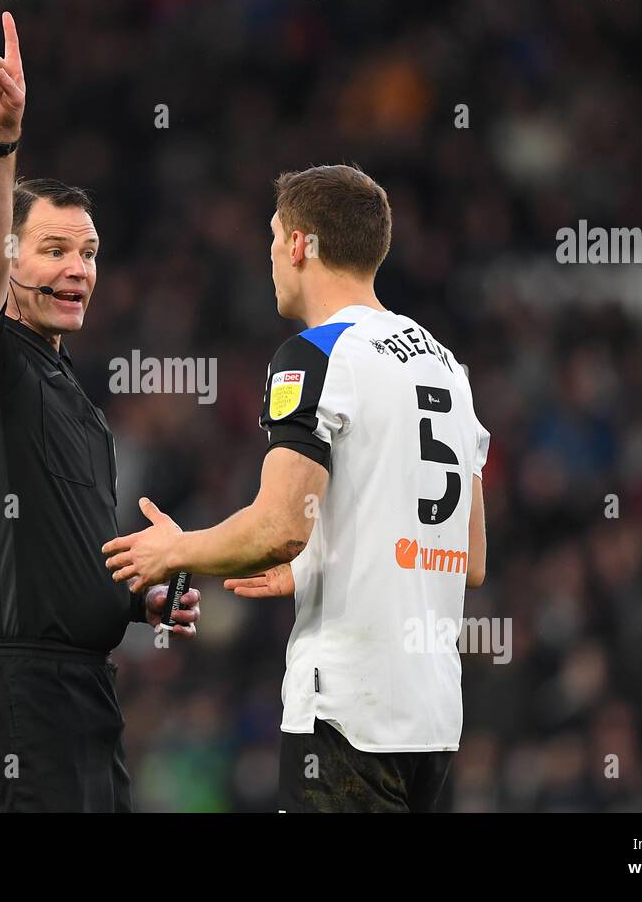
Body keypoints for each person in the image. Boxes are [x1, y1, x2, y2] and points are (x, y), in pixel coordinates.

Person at [103, 164, 489, 812]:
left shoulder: (316, 354)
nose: (272, 257)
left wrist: (173, 550)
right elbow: (469, 560)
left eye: (275, 238)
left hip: (347, 709)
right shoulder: (448, 367)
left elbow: (280, 526)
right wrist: (321, 566)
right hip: (432, 719)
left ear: (302, 244)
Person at [0, 11, 199, 812]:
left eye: (89, 254)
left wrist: (137, 599)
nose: (78, 269)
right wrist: (0, 142)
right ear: (13, 259)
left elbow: (62, 558)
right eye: (54, 250)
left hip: (82, 688)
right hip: (14, 685)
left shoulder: (77, 400)